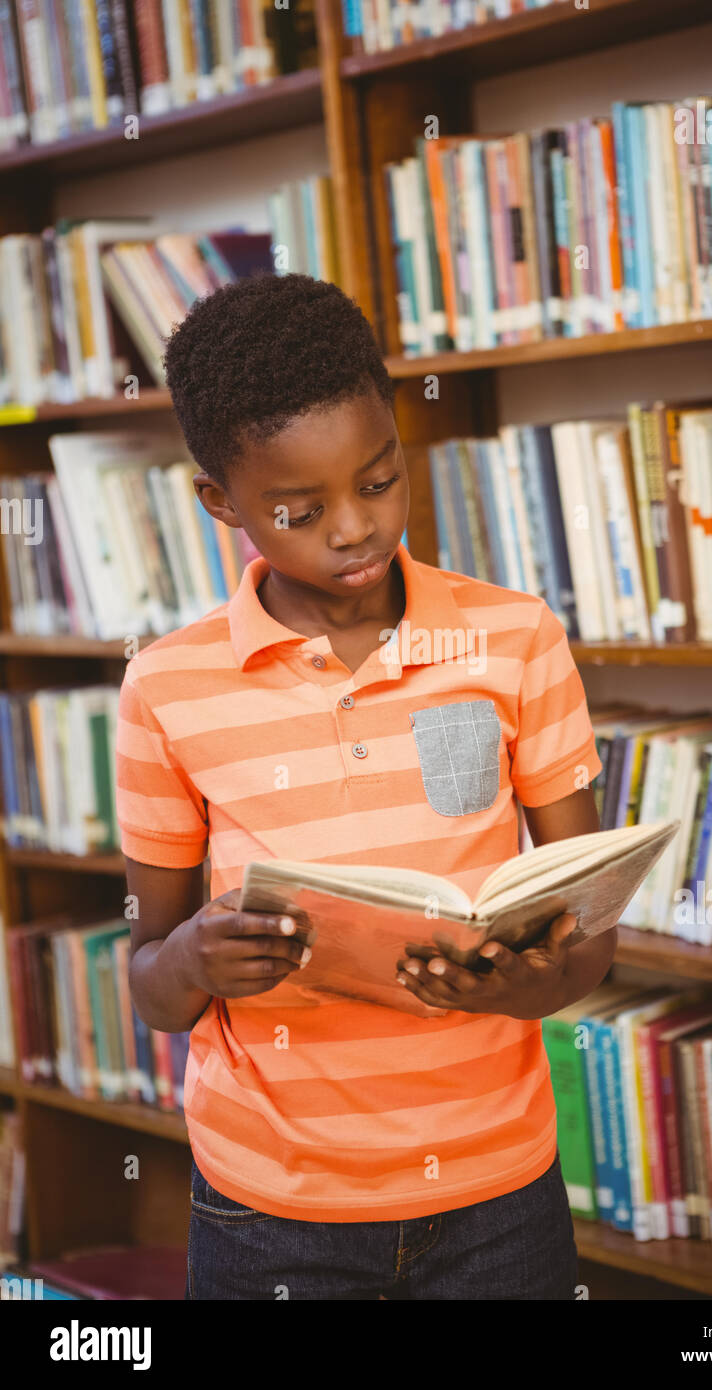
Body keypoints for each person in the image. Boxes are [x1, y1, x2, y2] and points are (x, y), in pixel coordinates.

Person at [115, 272, 611, 1300]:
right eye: (297, 509)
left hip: (495, 1195)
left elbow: (588, 932)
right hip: (267, 1211)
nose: (351, 528)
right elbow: (152, 985)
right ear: (221, 501)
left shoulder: (513, 639)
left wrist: (531, 983)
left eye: (378, 480)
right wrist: (200, 955)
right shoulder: (166, 687)